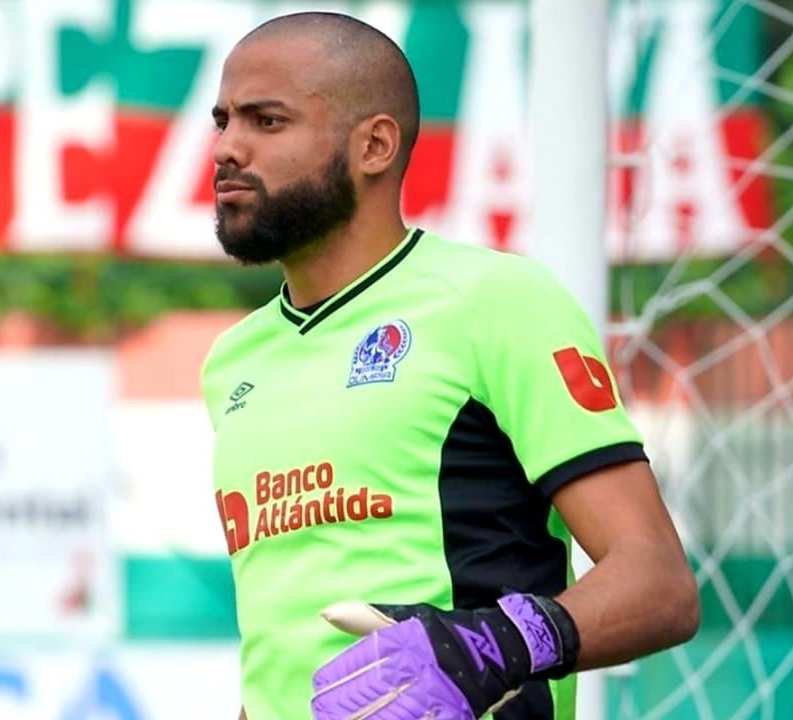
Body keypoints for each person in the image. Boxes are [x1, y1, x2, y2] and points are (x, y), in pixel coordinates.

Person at [200, 12, 700, 720]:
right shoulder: (232, 363)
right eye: (223, 121)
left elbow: (660, 583)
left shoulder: (495, 301)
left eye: (266, 122)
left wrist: (491, 647)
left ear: (373, 145)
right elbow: (281, 648)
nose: (225, 147)